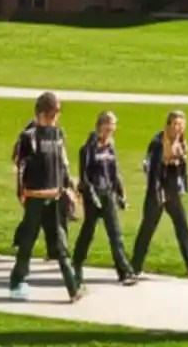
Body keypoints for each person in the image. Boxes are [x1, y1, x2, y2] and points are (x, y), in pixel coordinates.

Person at [9, 92, 83, 303]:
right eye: (53, 113)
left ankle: (73, 288)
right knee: (27, 242)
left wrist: (70, 185)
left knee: (60, 243)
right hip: (35, 196)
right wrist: (22, 193)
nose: (55, 117)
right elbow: (19, 164)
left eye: (57, 113)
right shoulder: (29, 136)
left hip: (55, 196)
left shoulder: (58, 133)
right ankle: (17, 282)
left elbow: (63, 161)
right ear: (42, 113)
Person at [131, 110, 188, 279]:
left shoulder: (182, 142)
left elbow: (181, 169)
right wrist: (158, 193)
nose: (179, 128)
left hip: (171, 189)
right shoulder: (158, 143)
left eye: (182, 125)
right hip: (156, 188)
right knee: (148, 227)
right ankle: (134, 265)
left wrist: (182, 185)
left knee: (181, 224)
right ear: (168, 124)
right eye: (176, 124)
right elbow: (151, 168)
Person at [73, 110, 136, 286]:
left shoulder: (111, 146)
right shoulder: (88, 148)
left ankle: (125, 271)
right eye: (108, 124)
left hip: (108, 194)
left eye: (113, 124)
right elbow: (84, 177)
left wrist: (121, 194)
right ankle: (76, 265)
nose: (111, 128)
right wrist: (91, 196)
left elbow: (115, 173)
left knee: (115, 234)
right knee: (88, 232)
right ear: (100, 125)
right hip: (93, 194)